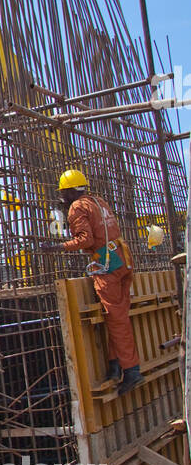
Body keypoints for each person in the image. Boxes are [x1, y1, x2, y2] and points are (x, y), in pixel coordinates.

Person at [53, 169, 141, 395]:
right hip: (122, 259)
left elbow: (86, 239)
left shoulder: (77, 207)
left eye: (64, 192)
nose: (62, 197)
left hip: (107, 267)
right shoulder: (97, 200)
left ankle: (131, 370)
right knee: (118, 316)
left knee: (116, 319)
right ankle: (115, 365)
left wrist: (59, 247)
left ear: (72, 191)